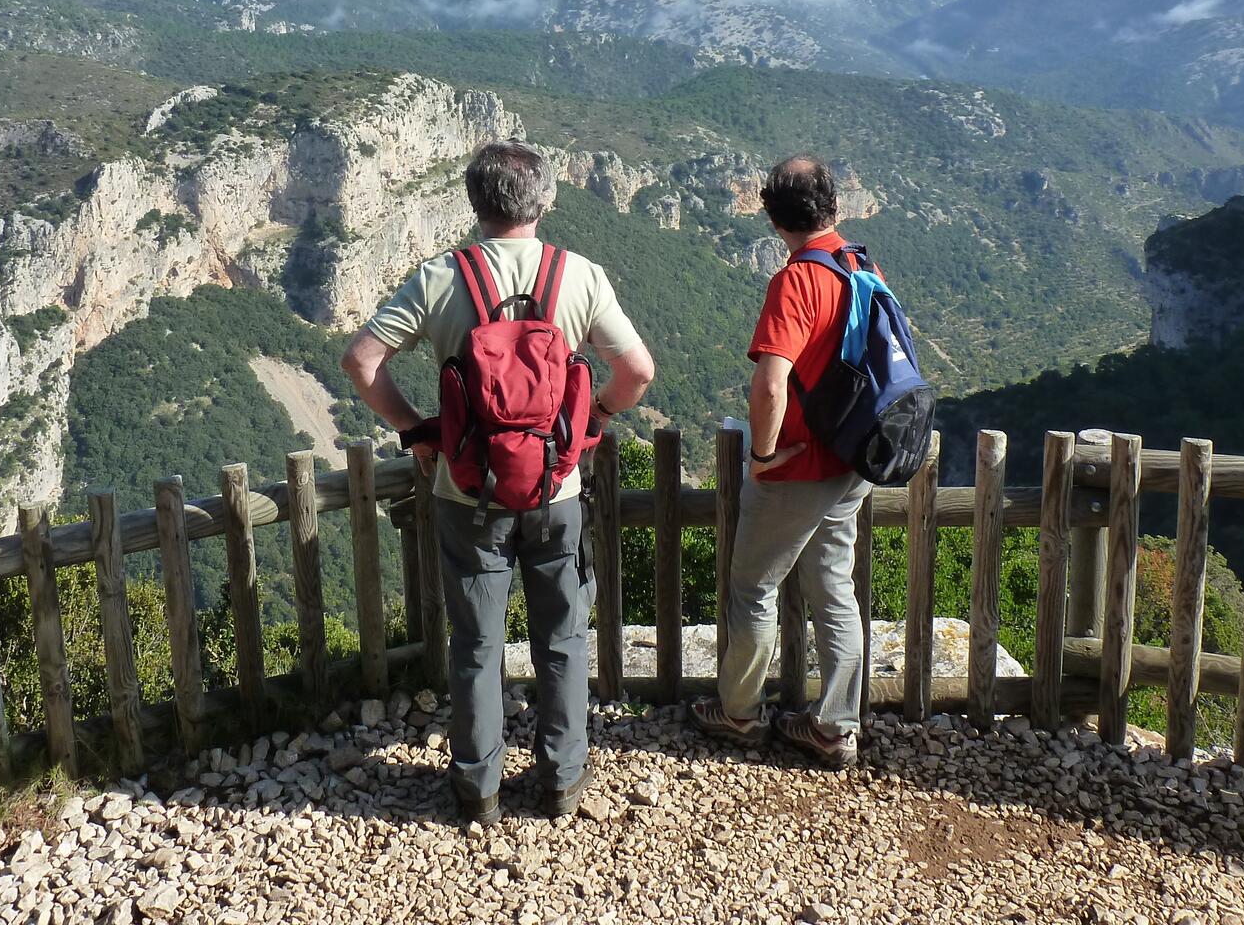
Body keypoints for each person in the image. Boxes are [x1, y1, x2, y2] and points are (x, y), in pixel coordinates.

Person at [341, 141, 656, 823]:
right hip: (556, 492)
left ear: (474, 201)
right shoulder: (580, 276)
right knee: (563, 640)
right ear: (545, 200)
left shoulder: (440, 278)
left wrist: (417, 431)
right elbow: (638, 373)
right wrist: (593, 420)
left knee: (477, 644)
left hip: (467, 495)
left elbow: (361, 360)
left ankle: (477, 786)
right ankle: (561, 779)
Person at [692, 155, 872, 768]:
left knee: (753, 589)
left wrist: (763, 456)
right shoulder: (860, 264)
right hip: (851, 461)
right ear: (835, 205)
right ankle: (836, 727)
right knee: (835, 590)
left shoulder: (798, 281)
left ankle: (740, 714)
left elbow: (771, 385)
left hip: (799, 468)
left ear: (772, 218)